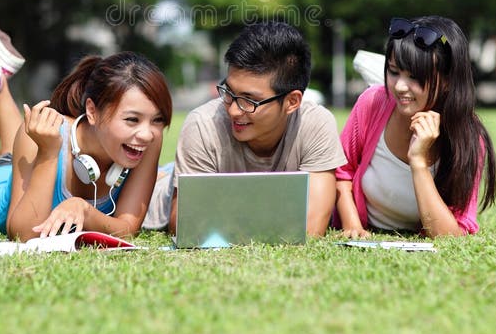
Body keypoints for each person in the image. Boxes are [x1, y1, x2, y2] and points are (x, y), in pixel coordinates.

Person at [0, 13, 172, 242]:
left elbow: (127, 227)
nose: (146, 133)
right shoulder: (48, 136)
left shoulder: (148, 139)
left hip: (23, 166)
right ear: (92, 111)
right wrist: (47, 154)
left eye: (158, 120)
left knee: (27, 140)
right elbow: (23, 234)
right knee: (25, 133)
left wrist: (84, 210)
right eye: (132, 120)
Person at [145, 20, 347, 237]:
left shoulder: (315, 123)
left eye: (249, 100)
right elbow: (186, 224)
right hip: (161, 192)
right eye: (229, 92)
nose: (233, 111)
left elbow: (312, 228)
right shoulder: (203, 124)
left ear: (292, 102)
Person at [335, 16, 496, 238]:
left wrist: (419, 162)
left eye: (415, 77)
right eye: (394, 71)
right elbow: (342, 172)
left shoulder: (468, 136)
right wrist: (352, 225)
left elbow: (451, 235)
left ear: (447, 79)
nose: (400, 86)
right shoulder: (373, 102)